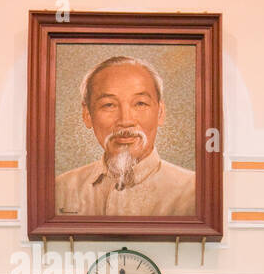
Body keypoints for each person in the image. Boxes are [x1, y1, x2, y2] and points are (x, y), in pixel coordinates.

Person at [55, 57, 196, 217]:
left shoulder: (193, 191)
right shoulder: (61, 189)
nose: (125, 121)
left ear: (160, 113)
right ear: (87, 114)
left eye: (140, 104)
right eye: (109, 105)